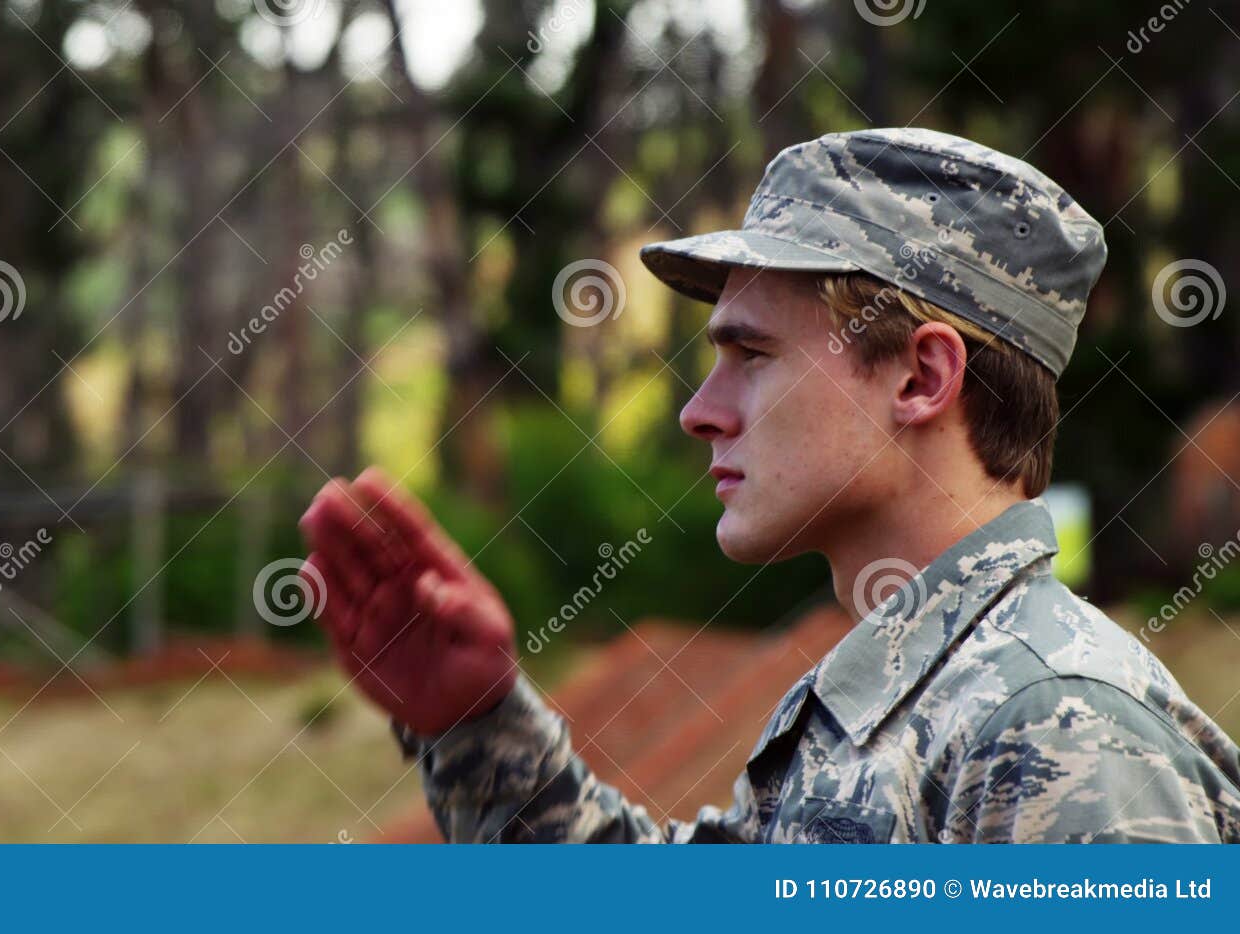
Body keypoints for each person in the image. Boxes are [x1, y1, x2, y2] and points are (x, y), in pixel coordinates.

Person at [297, 128, 1240, 843]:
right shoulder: (909, 698)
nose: (697, 412)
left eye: (752, 355)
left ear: (921, 378)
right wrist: (474, 724)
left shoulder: (1057, 728)